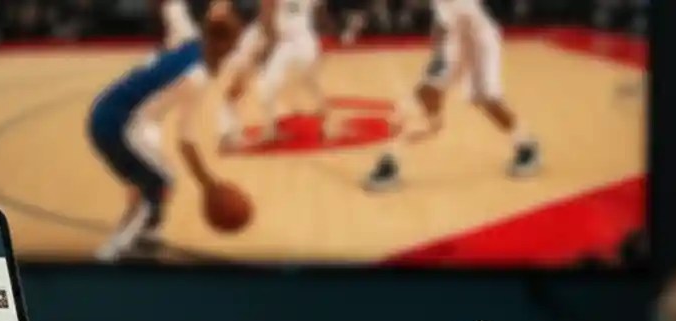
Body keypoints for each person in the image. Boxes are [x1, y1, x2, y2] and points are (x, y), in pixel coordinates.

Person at [87, 1, 245, 261]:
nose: (234, 52)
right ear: (219, 44)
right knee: (160, 182)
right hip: (118, 126)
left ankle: (148, 236)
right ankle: (113, 252)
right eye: (232, 46)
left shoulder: (190, 39)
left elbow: (172, 7)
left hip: (108, 113)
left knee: (152, 179)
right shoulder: (196, 76)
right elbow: (186, 142)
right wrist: (209, 185)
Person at [363, 0, 539, 191]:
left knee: (487, 100)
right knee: (425, 97)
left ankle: (525, 144)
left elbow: (449, 27)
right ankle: (391, 159)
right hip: (454, 39)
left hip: (479, 41)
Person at [219, 0, 337, 149]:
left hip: (290, 42)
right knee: (308, 84)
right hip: (291, 41)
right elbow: (322, 16)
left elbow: (268, 18)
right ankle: (229, 130)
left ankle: (271, 128)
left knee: (271, 86)